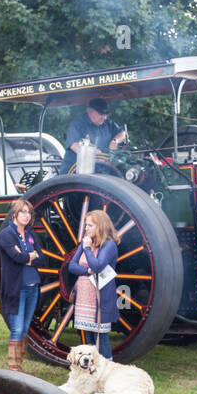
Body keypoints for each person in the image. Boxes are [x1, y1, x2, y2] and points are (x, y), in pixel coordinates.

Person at [0, 197, 45, 370]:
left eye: (29, 213)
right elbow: (17, 257)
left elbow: (42, 259)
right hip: (16, 288)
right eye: (23, 212)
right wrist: (29, 256)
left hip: (33, 286)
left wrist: (28, 257)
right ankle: (13, 367)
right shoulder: (6, 234)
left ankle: (19, 365)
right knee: (16, 329)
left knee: (25, 328)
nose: (26, 216)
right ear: (15, 214)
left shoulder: (30, 235)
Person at [67, 209, 120, 358]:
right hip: (84, 295)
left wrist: (88, 250)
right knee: (89, 339)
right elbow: (71, 266)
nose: (86, 228)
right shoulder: (85, 243)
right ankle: (93, 373)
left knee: (101, 338)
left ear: (100, 226)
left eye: (90, 225)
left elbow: (97, 266)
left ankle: (106, 371)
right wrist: (88, 271)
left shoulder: (109, 245)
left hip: (99, 298)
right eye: (86, 225)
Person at [58, 96, 126, 174]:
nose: (104, 117)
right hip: (74, 174)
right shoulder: (77, 124)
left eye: (106, 114)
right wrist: (96, 153)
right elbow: (74, 145)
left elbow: (122, 133)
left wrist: (115, 141)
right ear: (90, 111)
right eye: (101, 114)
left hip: (99, 172)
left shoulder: (108, 124)